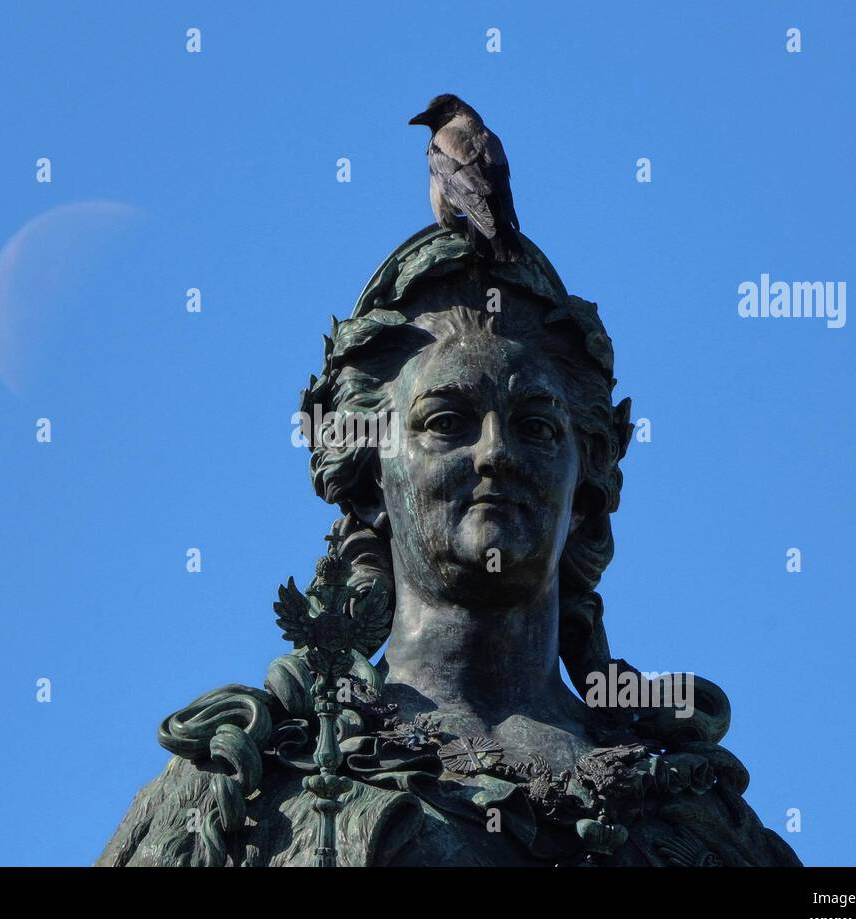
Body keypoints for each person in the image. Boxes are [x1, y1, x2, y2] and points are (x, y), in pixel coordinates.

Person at [96, 225, 801, 867]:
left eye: (537, 428)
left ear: (586, 479)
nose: (496, 453)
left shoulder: (695, 818)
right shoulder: (242, 793)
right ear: (370, 475)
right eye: (446, 422)